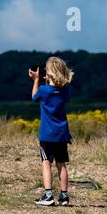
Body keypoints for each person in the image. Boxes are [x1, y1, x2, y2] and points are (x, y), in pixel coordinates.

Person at [31, 56, 73, 206]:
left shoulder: (43, 90)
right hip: (62, 134)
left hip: (47, 135)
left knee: (46, 162)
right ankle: (64, 196)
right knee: (61, 164)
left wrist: (36, 80)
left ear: (48, 74)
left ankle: (48, 195)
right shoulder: (66, 90)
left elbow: (34, 97)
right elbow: (58, 90)